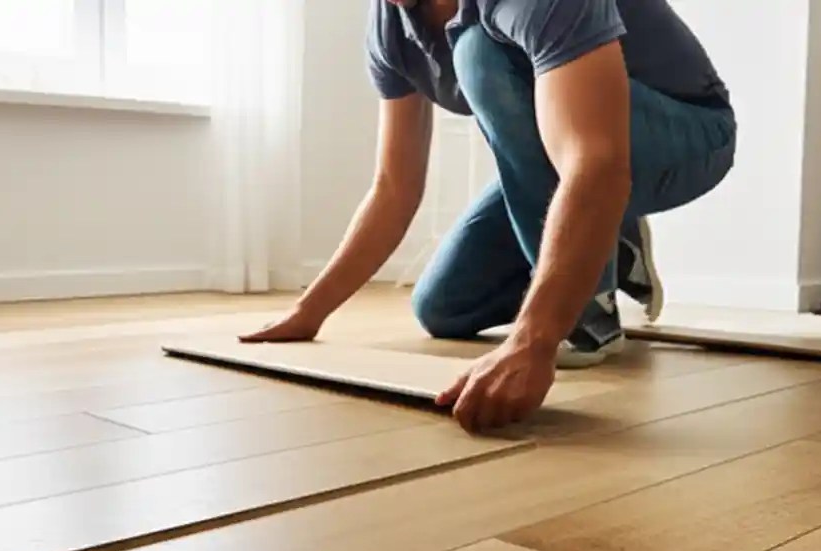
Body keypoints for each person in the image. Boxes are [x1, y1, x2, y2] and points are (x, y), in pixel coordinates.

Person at [241, 0, 737, 434]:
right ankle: (614, 240)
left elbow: (598, 162)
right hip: (577, 153)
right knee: (443, 309)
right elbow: (395, 185)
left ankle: (592, 315)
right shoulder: (391, 21)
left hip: (687, 136)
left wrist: (534, 339)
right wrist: (310, 312)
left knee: (478, 50)